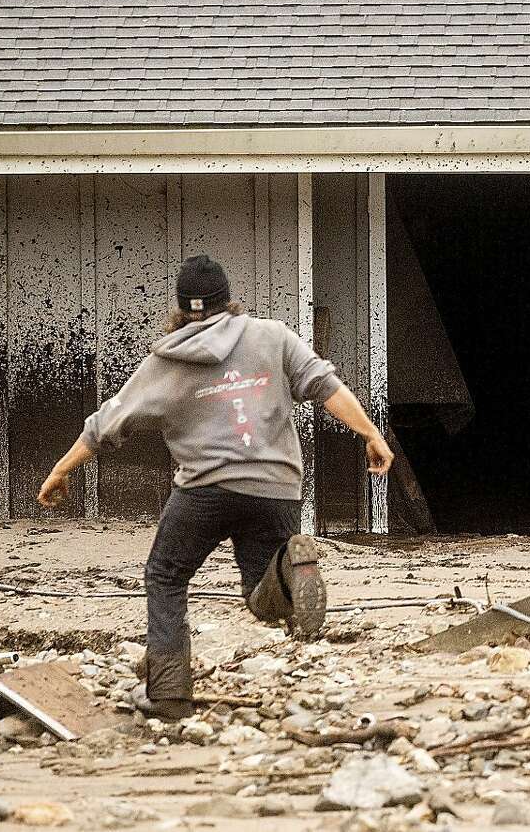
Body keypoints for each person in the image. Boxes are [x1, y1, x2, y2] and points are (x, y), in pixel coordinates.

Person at [37, 253, 393, 720]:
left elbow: (106, 425)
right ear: (230, 300)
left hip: (204, 491)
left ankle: (168, 694)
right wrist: (370, 434)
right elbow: (326, 386)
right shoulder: (272, 335)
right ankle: (290, 567)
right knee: (260, 596)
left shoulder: (164, 361)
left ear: (181, 309)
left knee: (166, 576)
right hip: (274, 487)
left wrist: (61, 470)